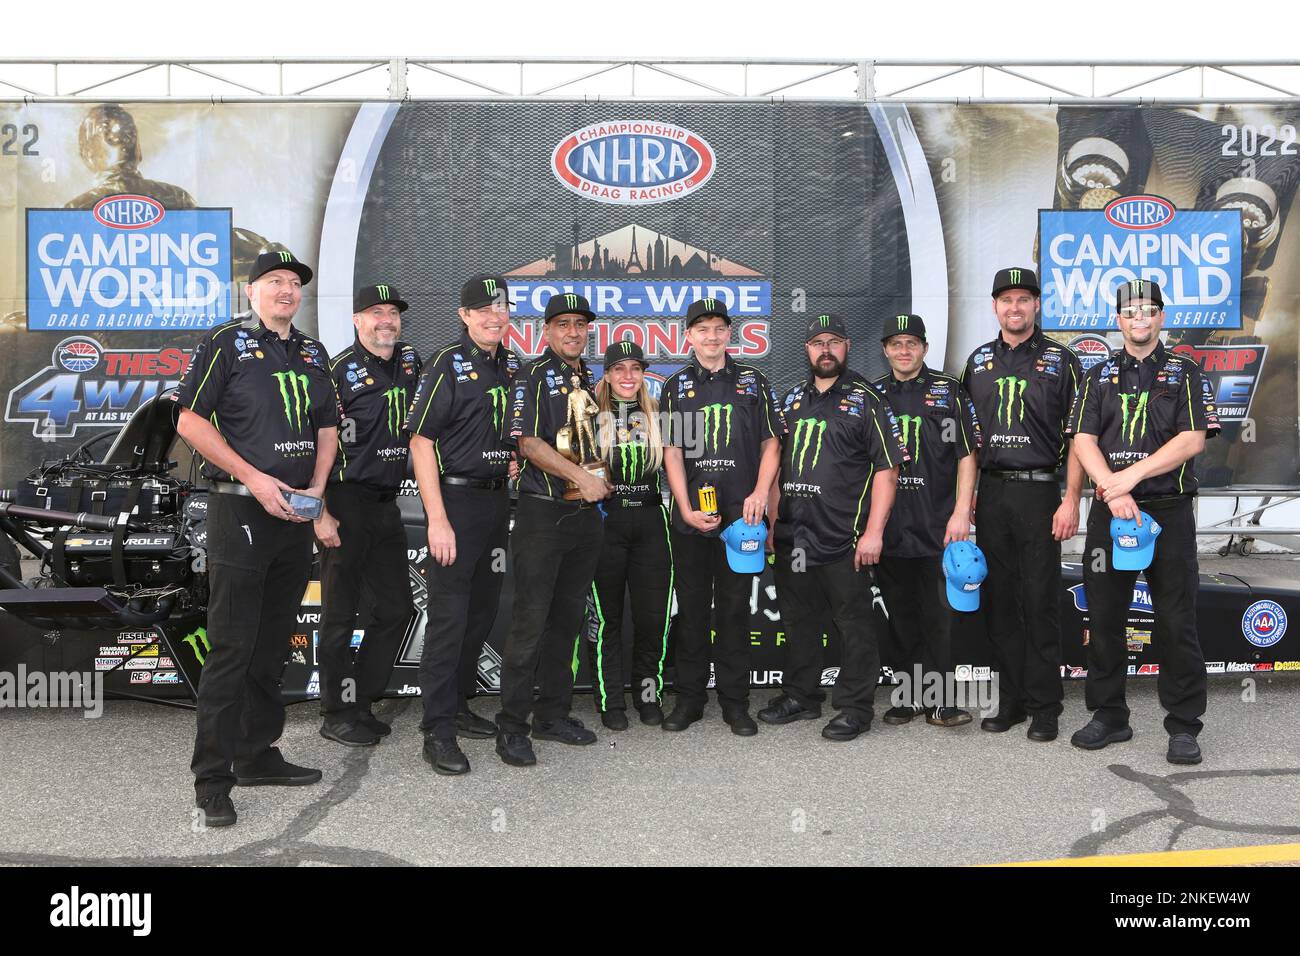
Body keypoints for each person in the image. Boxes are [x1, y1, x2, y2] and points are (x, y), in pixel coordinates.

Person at [174, 250, 338, 828]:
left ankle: (257, 754)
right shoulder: (226, 344)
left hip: (294, 517)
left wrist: (315, 490)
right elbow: (189, 421)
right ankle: (212, 781)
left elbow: (327, 427)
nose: (287, 291)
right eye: (275, 282)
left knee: (272, 648)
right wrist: (253, 477)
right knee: (232, 650)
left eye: (294, 284)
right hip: (241, 512)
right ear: (252, 291)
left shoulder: (314, 351)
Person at [1066, 279, 1219, 764]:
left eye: (1148, 309)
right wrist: (1112, 491)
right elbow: (1083, 440)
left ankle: (1183, 725)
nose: (1139, 317)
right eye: (1130, 310)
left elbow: (1192, 440)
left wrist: (1125, 479)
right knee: (1106, 617)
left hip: (1167, 512)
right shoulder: (1098, 375)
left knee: (1176, 621)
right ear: (1118, 319)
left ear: (1161, 317)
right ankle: (1109, 717)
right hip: (1110, 516)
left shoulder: (1186, 371)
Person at [757, 313, 905, 740]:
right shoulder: (791, 400)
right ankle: (802, 697)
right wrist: (772, 521)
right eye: (818, 342)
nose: (826, 349)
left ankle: (855, 707)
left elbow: (887, 469)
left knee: (853, 624)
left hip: (844, 538)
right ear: (807, 349)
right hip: (793, 536)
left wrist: (874, 531)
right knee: (799, 621)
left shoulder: (867, 399)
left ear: (847, 346)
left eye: (834, 342)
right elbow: (775, 464)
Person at [406, 274, 522, 775]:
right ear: (464, 315)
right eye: (483, 310)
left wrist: (511, 458)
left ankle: (457, 703)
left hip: (496, 504)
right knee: (449, 620)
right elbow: (420, 442)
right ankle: (437, 730)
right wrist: (437, 519)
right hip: (454, 505)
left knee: (479, 614)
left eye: (501, 309)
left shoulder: (512, 366)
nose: (494, 317)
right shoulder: (446, 364)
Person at [961, 268, 1083, 743]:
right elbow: (968, 442)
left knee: (1039, 600)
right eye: (1006, 299)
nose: (1015, 308)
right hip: (992, 493)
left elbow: (1079, 440)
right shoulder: (978, 361)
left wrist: (1071, 498)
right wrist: (966, 498)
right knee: (1000, 601)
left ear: (1037, 305)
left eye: (1024, 299)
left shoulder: (1062, 360)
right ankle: (1010, 699)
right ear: (994, 306)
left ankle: (1045, 705)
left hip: (1040, 492)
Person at [660, 298, 785, 735]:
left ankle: (736, 703)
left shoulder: (754, 381)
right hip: (691, 517)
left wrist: (758, 495)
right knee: (693, 609)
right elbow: (671, 452)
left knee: (733, 610)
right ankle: (689, 700)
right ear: (688, 336)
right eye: (702, 329)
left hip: (741, 517)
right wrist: (685, 507)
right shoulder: (674, 386)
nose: (711, 336)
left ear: (730, 334)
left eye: (719, 328)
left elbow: (772, 444)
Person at [496, 292, 611, 766]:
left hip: (584, 518)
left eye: (580, 324)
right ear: (546, 331)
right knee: (530, 623)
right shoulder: (531, 375)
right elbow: (526, 441)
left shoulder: (586, 377)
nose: (572, 331)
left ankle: (552, 714)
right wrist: (581, 478)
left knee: (567, 620)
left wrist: (599, 477)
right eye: (563, 324)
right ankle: (512, 727)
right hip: (543, 515)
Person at [315, 284, 421, 748]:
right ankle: (335, 712)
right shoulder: (336, 371)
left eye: (393, 313)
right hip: (343, 499)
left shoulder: (412, 361)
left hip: (386, 501)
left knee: (397, 608)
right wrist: (318, 510)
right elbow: (314, 444)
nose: (386, 321)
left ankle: (360, 699)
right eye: (376, 313)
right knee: (339, 613)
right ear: (357, 319)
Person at [872, 314, 980, 727]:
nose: (904, 351)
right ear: (885, 350)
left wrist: (961, 511)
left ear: (925, 348)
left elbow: (968, 455)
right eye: (896, 344)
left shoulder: (948, 391)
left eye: (912, 344)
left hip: (938, 522)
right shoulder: (873, 394)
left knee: (940, 617)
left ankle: (942, 701)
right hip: (891, 524)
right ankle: (908, 697)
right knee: (900, 615)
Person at [584, 340, 672, 730]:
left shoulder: (661, 416)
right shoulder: (587, 415)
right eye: (619, 369)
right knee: (607, 620)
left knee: (653, 619)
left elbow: (689, 469)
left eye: (635, 368)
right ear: (606, 374)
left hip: (653, 523)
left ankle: (648, 695)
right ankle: (610, 702)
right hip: (606, 522)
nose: (628, 376)